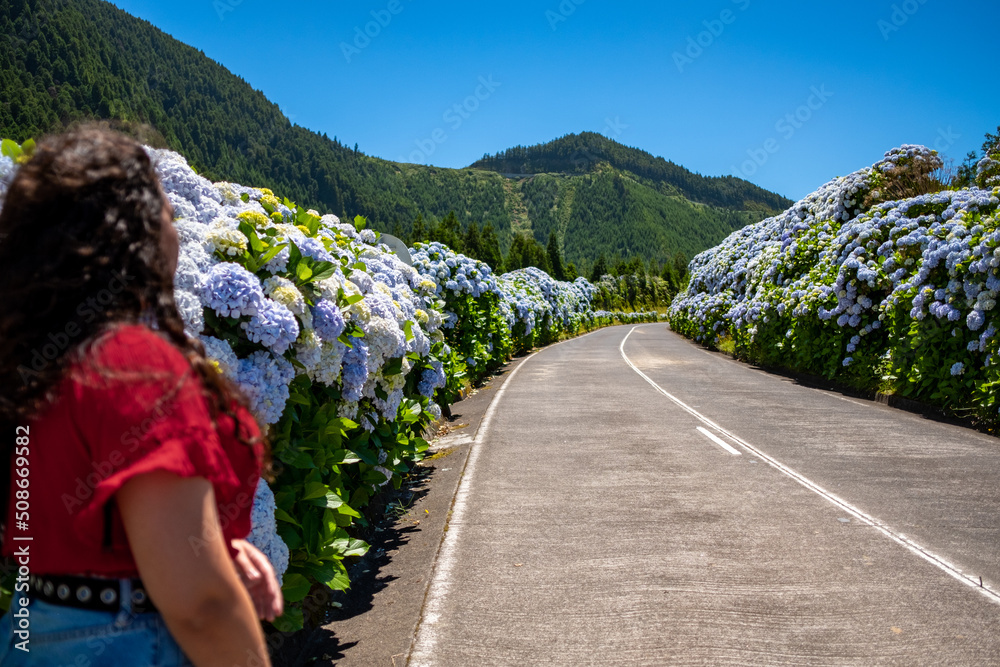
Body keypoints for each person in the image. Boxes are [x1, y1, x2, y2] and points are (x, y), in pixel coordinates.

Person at [0, 127, 283, 666]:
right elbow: (200, 604)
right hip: (132, 639)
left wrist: (209, 547)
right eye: (168, 213)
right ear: (138, 234)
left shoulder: (35, 367)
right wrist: (201, 573)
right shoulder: (133, 364)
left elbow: (77, 528)